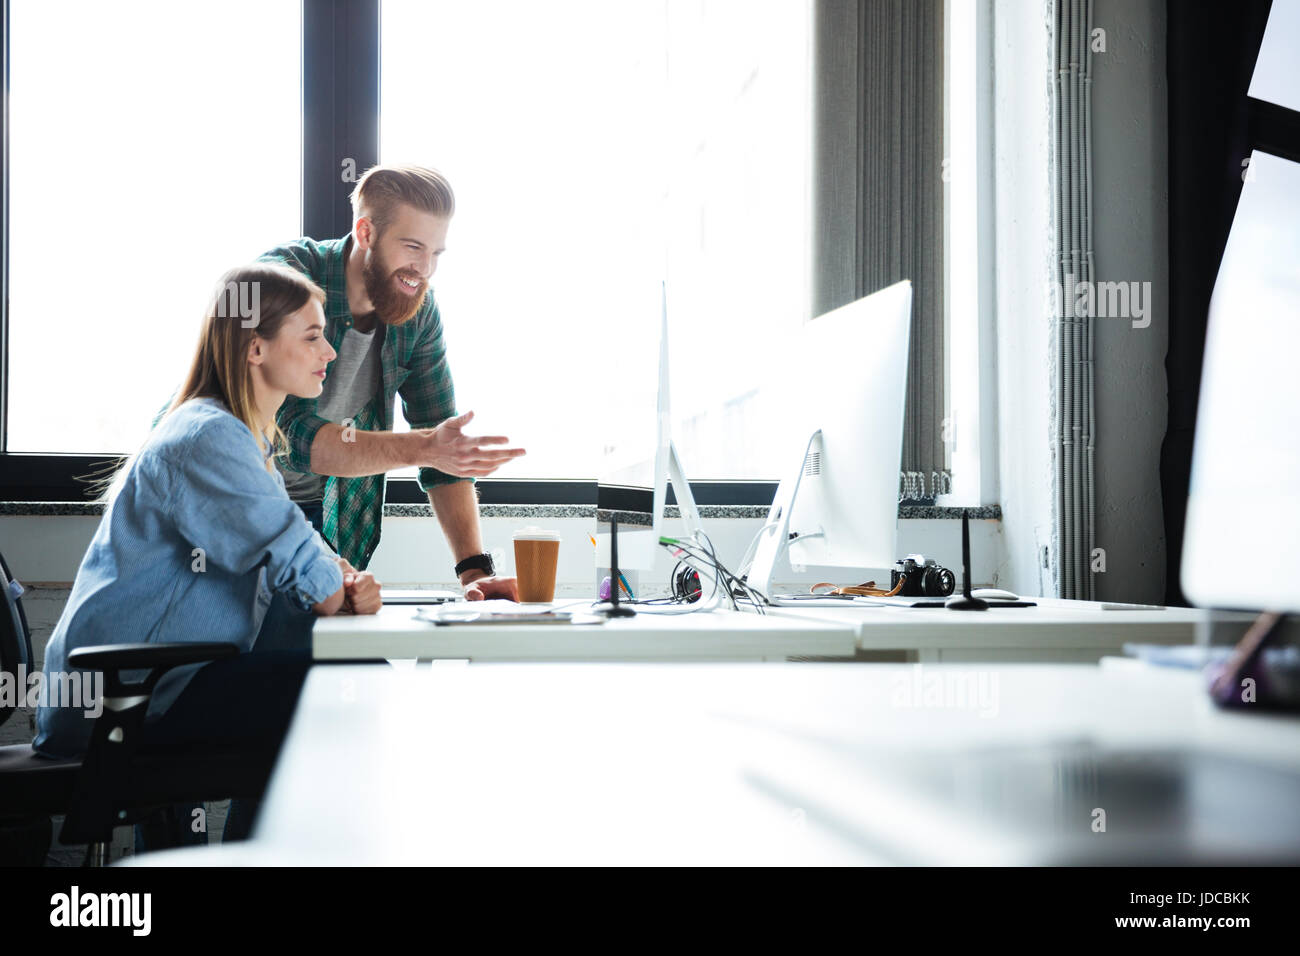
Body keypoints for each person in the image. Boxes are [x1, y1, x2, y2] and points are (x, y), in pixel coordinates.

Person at [33, 261, 381, 844]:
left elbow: (304, 557)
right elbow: (309, 574)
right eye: (313, 335)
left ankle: (244, 854)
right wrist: (336, 587)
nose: (330, 350)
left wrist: (341, 580)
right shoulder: (209, 436)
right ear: (255, 349)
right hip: (130, 697)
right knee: (357, 684)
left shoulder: (242, 439)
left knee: (324, 671)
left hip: (158, 684)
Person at [257, 164, 525, 598]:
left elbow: (442, 440)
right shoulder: (287, 279)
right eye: (413, 247)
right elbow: (289, 436)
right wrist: (423, 448)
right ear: (366, 233)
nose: (425, 269)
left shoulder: (418, 311)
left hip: (315, 514)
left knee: (351, 651)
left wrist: (475, 573)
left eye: (437, 253)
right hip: (235, 501)